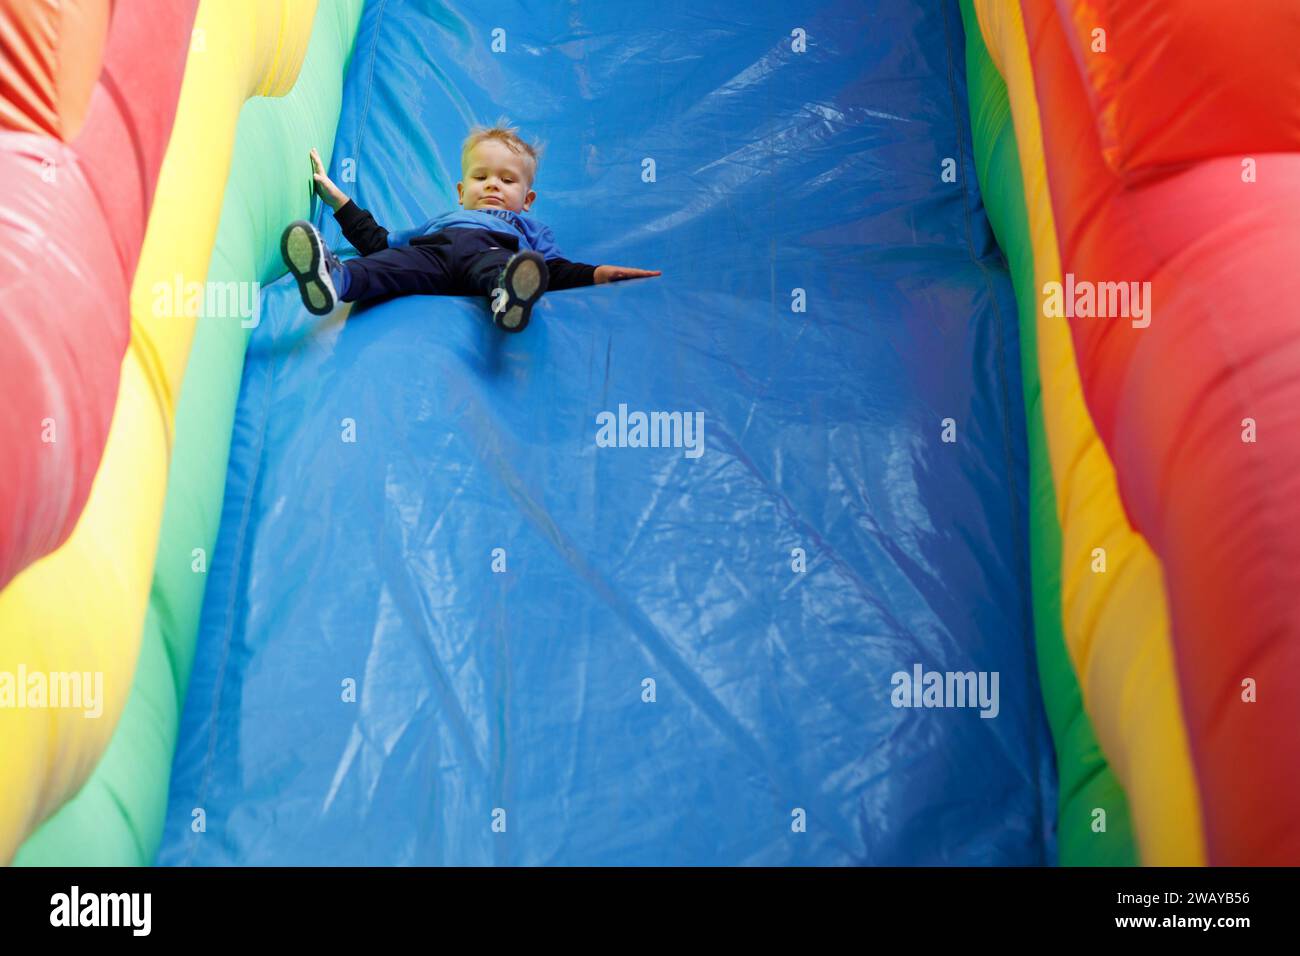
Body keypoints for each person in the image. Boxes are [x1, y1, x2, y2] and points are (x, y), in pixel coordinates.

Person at [281, 124, 661, 332]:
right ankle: (335, 281)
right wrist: (339, 202)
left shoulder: (528, 228)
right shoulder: (441, 221)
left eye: (508, 180)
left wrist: (596, 274)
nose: (493, 184)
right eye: (481, 177)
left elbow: (554, 268)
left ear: (527, 200)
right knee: (390, 265)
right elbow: (378, 241)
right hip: (432, 252)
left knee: (504, 270)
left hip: (492, 253)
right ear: (462, 193)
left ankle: (507, 299)